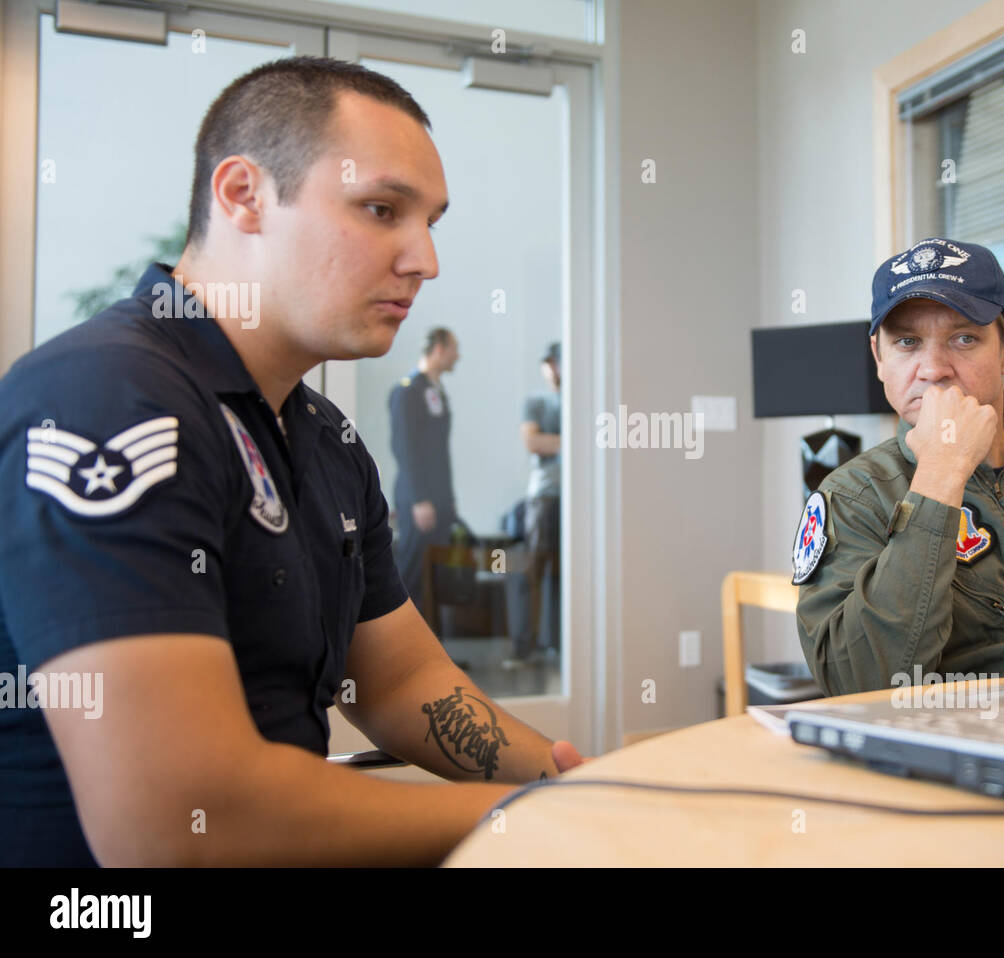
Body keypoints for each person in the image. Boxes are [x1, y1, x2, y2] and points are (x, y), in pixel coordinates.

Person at [0, 56, 586, 868]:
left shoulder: (325, 437)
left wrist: (575, 789)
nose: (425, 259)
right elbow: (176, 824)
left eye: (431, 223)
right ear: (243, 196)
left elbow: (400, 683)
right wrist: (522, 819)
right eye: (382, 209)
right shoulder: (108, 394)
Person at [794, 237, 1004, 696]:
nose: (933, 369)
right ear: (879, 357)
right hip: (976, 732)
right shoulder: (852, 496)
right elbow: (859, 684)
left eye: (964, 338)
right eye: (907, 342)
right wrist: (940, 475)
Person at [389, 326, 465, 618]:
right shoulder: (408, 391)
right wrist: (420, 498)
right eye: (454, 348)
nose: (458, 355)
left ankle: (434, 652)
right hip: (418, 500)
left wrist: (449, 497)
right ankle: (403, 654)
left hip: (440, 500)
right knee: (414, 574)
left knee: (437, 577)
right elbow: (404, 448)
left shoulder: (437, 393)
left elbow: (440, 453)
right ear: (439, 349)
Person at [509, 342, 562, 667]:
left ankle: (555, 645)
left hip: (575, 502)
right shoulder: (537, 402)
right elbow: (532, 441)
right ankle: (522, 650)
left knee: (563, 575)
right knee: (533, 572)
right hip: (543, 498)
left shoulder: (583, 401)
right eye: (552, 363)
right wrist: (572, 440)